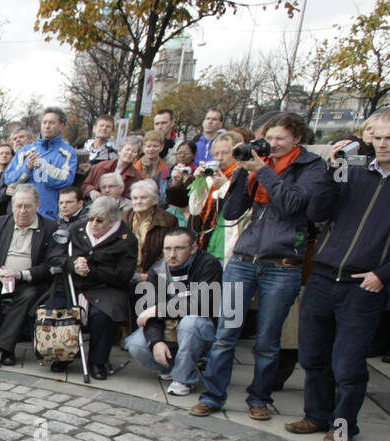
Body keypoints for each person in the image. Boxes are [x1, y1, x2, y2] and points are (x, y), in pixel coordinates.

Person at [191, 112, 327, 421]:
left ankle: (259, 398)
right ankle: (212, 395)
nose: (274, 144)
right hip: (243, 259)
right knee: (226, 333)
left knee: (268, 339)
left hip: (282, 263)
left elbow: (293, 204)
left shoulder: (310, 166)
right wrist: (242, 172)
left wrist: (262, 170)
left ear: (297, 138)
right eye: (269, 137)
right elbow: (233, 212)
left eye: (281, 138)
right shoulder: (255, 164)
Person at [287, 109, 390, 441]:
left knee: (347, 363)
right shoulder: (354, 170)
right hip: (324, 273)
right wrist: (332, 170)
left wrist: (382, 274)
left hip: (363, 283)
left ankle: (344, 425)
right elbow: (318, 212)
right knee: (312, 355)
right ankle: (316, 415)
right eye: (377, 137)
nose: (383, 144)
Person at [123, 226, 223, 394]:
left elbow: (202, 303)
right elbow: (150, 312)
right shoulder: (158, 270)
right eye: (168, 249)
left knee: (190, 323)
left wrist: (159, 309)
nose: (172, 254)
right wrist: (156, 342)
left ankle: (183, 379)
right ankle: (175, 368)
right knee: (135, 344)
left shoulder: (208, 264)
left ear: (193, 248)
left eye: (179, 248)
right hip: (169, 329)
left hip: (203, 329)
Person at [0, 185, 65, 370]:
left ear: (37, 205)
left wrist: (20, 274)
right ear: (12, 205)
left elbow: (51, 265)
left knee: (28, 296)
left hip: (29, 280)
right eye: (18, 206)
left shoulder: (49, 227)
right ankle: (6, 349)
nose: (22, 211)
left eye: (27, 206)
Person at [63, 195, 138, 379]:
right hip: (76, 285)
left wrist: (91, 270)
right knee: (59, 309)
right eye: (91, 219)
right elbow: (55, 256)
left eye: (100, 220)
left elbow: (123, 275)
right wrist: (73, 264)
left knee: (103, 315)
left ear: (113, 221)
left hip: (107, 287)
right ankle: (61, 355)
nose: (94, 224)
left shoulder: (126, 239)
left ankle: (97, 361)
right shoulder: (76, 229)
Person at [3, 107, 77, 218]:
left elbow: (66, 181)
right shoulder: (25, 151)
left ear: (61, 125)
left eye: (52, 123)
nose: (47, 126)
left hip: (50, 214)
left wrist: (45, 167)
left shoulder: (68, 152)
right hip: (22, 214)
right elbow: (9, 179)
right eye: (44, 122)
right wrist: (26, 168)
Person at [185, 131, 243, 261]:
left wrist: (225, 186)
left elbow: (240, 205)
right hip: (208, 241)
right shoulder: (212, 176)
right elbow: (195, 209)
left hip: (228, 244)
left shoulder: (244, 175)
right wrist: (199, 182)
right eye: (216, 154)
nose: (220, 158)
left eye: (225, 153)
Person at [123, 179, 178, 278]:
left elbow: (168, 252)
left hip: (155, 275)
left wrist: (150, 275)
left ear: (154, 200)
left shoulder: (168, 220)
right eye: (135, 198)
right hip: (126, 274)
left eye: (143, 198)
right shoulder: (123, 218)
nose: (138, 202)